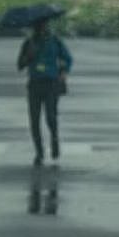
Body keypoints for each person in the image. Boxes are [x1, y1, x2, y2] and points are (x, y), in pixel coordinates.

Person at [16, 17, 72, 166]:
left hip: (51, 85)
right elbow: (19, 65)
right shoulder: (29, 43)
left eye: (45, 26)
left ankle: (54, 139)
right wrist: (29, 56)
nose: (43, 29)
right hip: (34, 85)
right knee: (34, 121)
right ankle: (39, 151)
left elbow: (67, 58)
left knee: (50, 117)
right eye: (39, 26)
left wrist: (64, 72)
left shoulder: (55, 41)